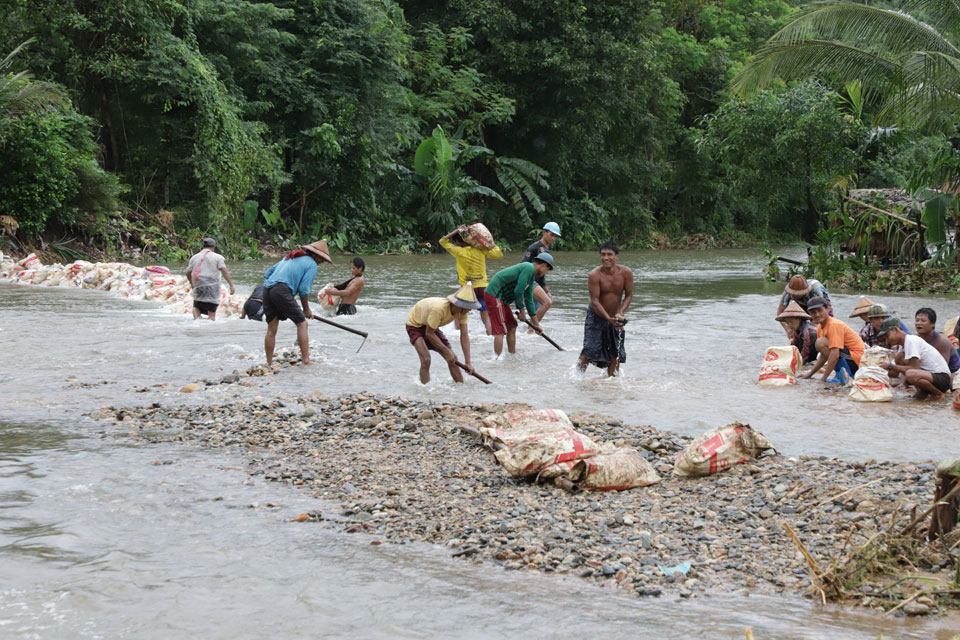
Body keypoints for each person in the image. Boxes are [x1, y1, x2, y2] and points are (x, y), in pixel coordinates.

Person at [262, 240, 333, 366]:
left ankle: (268, 364)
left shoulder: (291, 257)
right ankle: (306, 360)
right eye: (321, 259)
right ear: (315, 255)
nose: (321, 262)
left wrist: (273, 285)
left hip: (267, 289)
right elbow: (304, 290)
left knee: (272, 329)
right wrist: (306, 309)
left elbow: (268, 273)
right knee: (302, 324)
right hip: (281, 290)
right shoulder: (312, 264)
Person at [405, 283, 481, 383]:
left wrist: (468, 362)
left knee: (453, 359)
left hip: (431, 326)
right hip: (415, 324)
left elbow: (464, 335)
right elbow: (429, 333)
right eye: (469, 307)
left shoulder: (463, 312)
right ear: (459, 305)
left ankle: (461, 389)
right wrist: (445, 351)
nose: (470, 309)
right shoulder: (439, 309)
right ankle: (424, 390)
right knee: (426, 359)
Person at [578, 242, 633, 376]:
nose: (606, 258)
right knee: (589, 350)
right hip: (596, 316)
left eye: (609, 254)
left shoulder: (626, 273)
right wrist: (608, 318)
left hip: (615, 316)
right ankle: (576, 377)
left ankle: (611, 383)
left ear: (617, 257)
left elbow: (629, 295)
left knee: (616, 352)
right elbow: (595, 301)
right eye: (603, 255)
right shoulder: (595, 275)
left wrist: (620, 312)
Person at [483, 255, 551, 355]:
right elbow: (518, 292)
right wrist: (522, 312)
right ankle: (496, 361)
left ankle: (512, 356)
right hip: (494, 294)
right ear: (544, 265)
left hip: (503, 300)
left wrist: (537, 325)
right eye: (547, 270)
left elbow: (529, 300)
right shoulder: (528, 267)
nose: (545, 272)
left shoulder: (531, 277)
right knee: (500, 329)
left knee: (512, 326)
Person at [439, 228, 503, 334]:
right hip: (483, 287)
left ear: (459, 242)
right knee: (486, 316)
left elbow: (442, 241)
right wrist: (487, 241)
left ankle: (458, 333)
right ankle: (490, 335)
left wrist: (456, 230)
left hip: (467, 288)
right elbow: (499, 254)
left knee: (457, 312)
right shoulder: (480, 250)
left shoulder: (458, 251)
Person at [878, 317, 952, 400]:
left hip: (942, 379)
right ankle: (922, 393)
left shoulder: (911, 340)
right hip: (930, 377)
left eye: (887, 336)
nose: (887, 341)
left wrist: (891, 366)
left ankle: (937, 394)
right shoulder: (902, 347)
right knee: (899, 357)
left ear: (895, 329)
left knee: (911, 374)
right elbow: (893, 374)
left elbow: (914, 369)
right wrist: (878, 369)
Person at [799, 296, 865, 382]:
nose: (817, 315)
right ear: (809, 314)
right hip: (849, 358)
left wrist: (823, 379)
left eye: (820, 310)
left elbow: (835, 354)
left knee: (820, 343)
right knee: (820, 344)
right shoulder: (820, 327)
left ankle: (847, 374)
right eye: (813, 312)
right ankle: (841, 373)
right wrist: (809, 374)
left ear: (828, 309)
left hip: (857, 361)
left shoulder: (834, 324)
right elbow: (823, 355)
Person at [185, 238, 235, 321]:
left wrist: (192, 283)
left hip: (198, 285)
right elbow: (224, 271)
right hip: (213, 287)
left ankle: (196, 322)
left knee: (197, 306)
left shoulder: (194, 257)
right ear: (214, 247)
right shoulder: (218, 257)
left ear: (203, 247)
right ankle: (210, 328)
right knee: (211, 311)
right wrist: (231, 285)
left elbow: (188, 273)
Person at [521, 222, 561, 327]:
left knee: (537, 309)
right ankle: (531, 329)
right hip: (530, 281)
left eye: (555, 236)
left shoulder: (546, 250)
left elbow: (542, 274)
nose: (553, 238)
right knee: (547, 302)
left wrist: (546, 290)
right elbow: (523, 265)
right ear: (544, 232)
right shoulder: (535, 247)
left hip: (537, 283)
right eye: (551, 235)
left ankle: (529, 330)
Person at [914, 307, 960, 374]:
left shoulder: (942, 341)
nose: (918, 323)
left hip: (951, 372)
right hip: (928, 370)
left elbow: (943, 369)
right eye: (917, 320)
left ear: (933, 324)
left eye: (923, 321)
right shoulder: (915, 339)